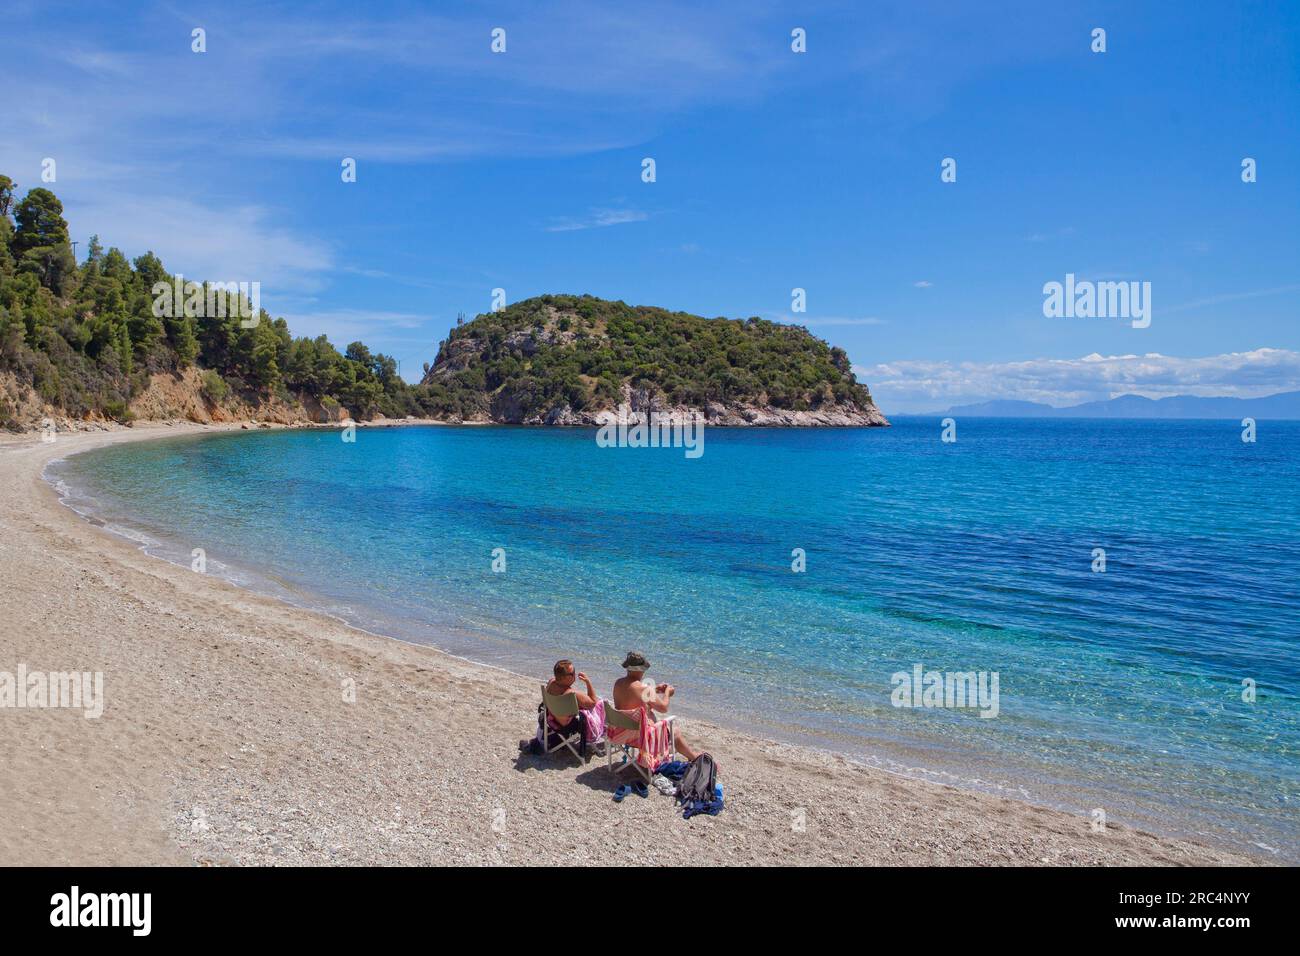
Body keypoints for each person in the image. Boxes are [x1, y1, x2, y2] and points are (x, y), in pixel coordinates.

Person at [611, 651, 704, 762]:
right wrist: (667, 693)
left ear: (627, 668)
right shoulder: (644, 689)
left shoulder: (618, 683)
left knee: (659, 726)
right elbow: (663, 708)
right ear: (642, 670)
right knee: (675, 732)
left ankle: (673, 751)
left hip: (622, 733)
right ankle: (693, 757)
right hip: (642, 738)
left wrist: (654, 690)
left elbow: (632, 696)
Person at [530, 659, 605, 758]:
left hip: (552, 720)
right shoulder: (571, 694)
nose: (575, 675)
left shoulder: (551, 682)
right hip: (567, 727)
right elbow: (592, 702)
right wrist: (588, 682)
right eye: (573, 673)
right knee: (601, 704)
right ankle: (605, 734)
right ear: (566, 677)